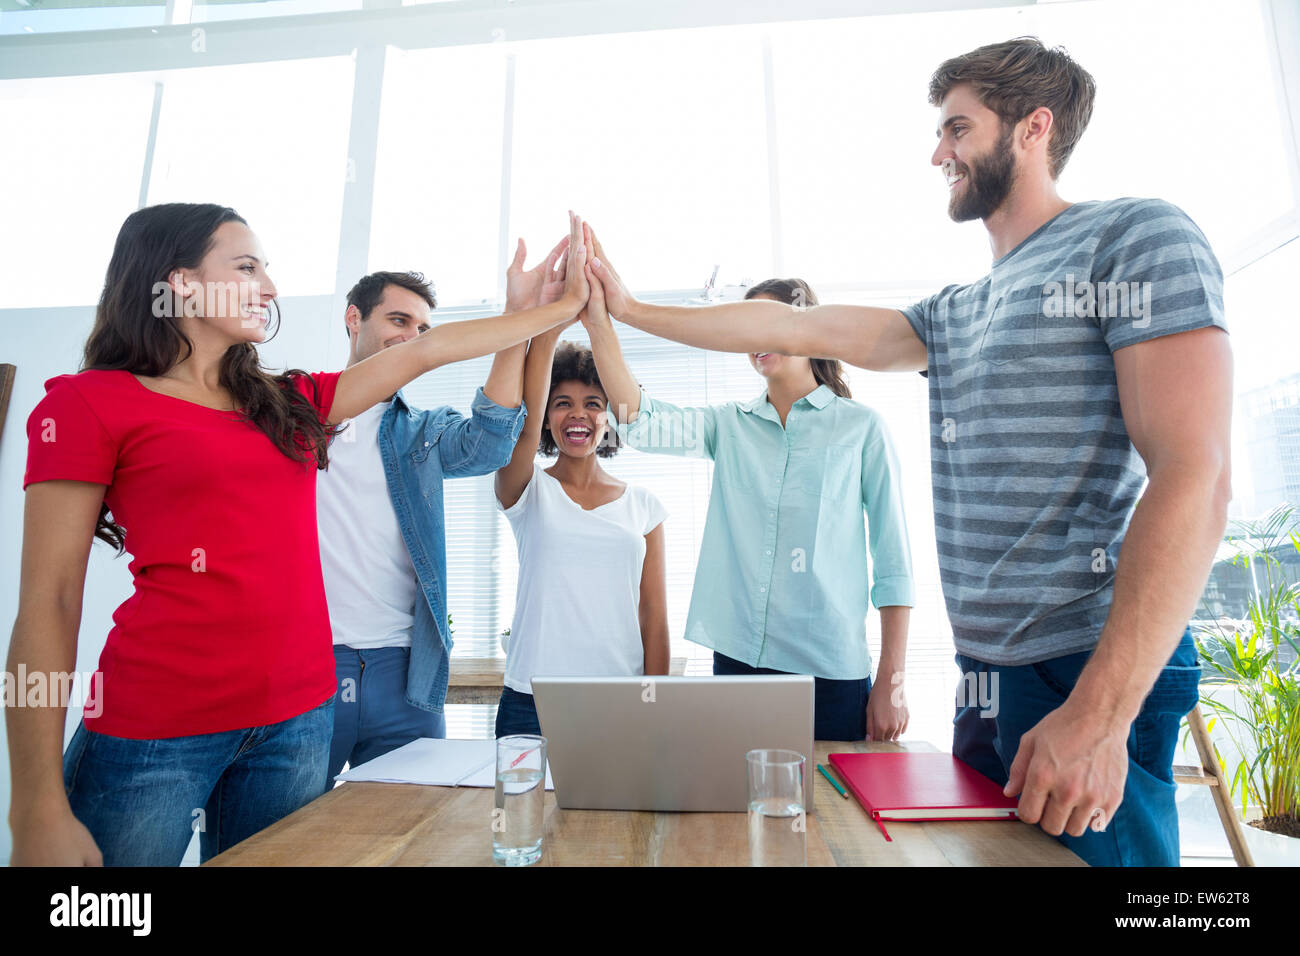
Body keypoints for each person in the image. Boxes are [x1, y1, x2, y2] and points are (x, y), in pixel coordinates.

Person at [585, 38, 1232, 867]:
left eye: (957, 129)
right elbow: (791, 326)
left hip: (1087, 665)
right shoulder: (953, 314)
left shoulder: (1133, 239)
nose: (939, 153)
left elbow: (1196, 477)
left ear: (1034, 128)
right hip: (988, 676)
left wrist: (1103, 713)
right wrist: (628, 309)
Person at [8, 203, 589, 865]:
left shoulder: (287, 402)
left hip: (297, 724)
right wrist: (34, 805)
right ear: (183, 282)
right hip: (154, 732)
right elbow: (49, 602)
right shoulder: (87, 405)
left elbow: (426, 352)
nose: (271, 287)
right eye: (247, 266)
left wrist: (547, 309)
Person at [582, 269, 914, 741]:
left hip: (829, 671)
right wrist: (599, 323)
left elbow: (894, 564)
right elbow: (639, 420)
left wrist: (892, 683)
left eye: (768, 322)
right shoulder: (729, 426)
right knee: (739, 810)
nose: (755, 338)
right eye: (746, 327)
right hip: (737, 663)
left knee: (834, 813)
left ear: (809, 328)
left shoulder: (862, 429)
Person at [318, 244, 565, 787]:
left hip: (407, 673)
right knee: (285, 841)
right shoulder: (292, 416)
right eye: (398, 320)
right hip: (308, 668)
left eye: (424, 330)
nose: (412, 338)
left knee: (410, 837)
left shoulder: (420, 430)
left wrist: (516, 316)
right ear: (353, 319)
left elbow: (491, 441)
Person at [493, 251, 670, 738]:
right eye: (562, 403)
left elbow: (653, 616)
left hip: (621, 699)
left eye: (593, 404)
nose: (578, 414)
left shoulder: (645, 508)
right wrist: (547, 328)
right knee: (526, 816)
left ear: (609, 416)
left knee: (618, 818)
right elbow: (522, 427)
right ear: (548, 417)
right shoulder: (527, 490)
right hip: (532, 700)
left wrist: (656, 703)